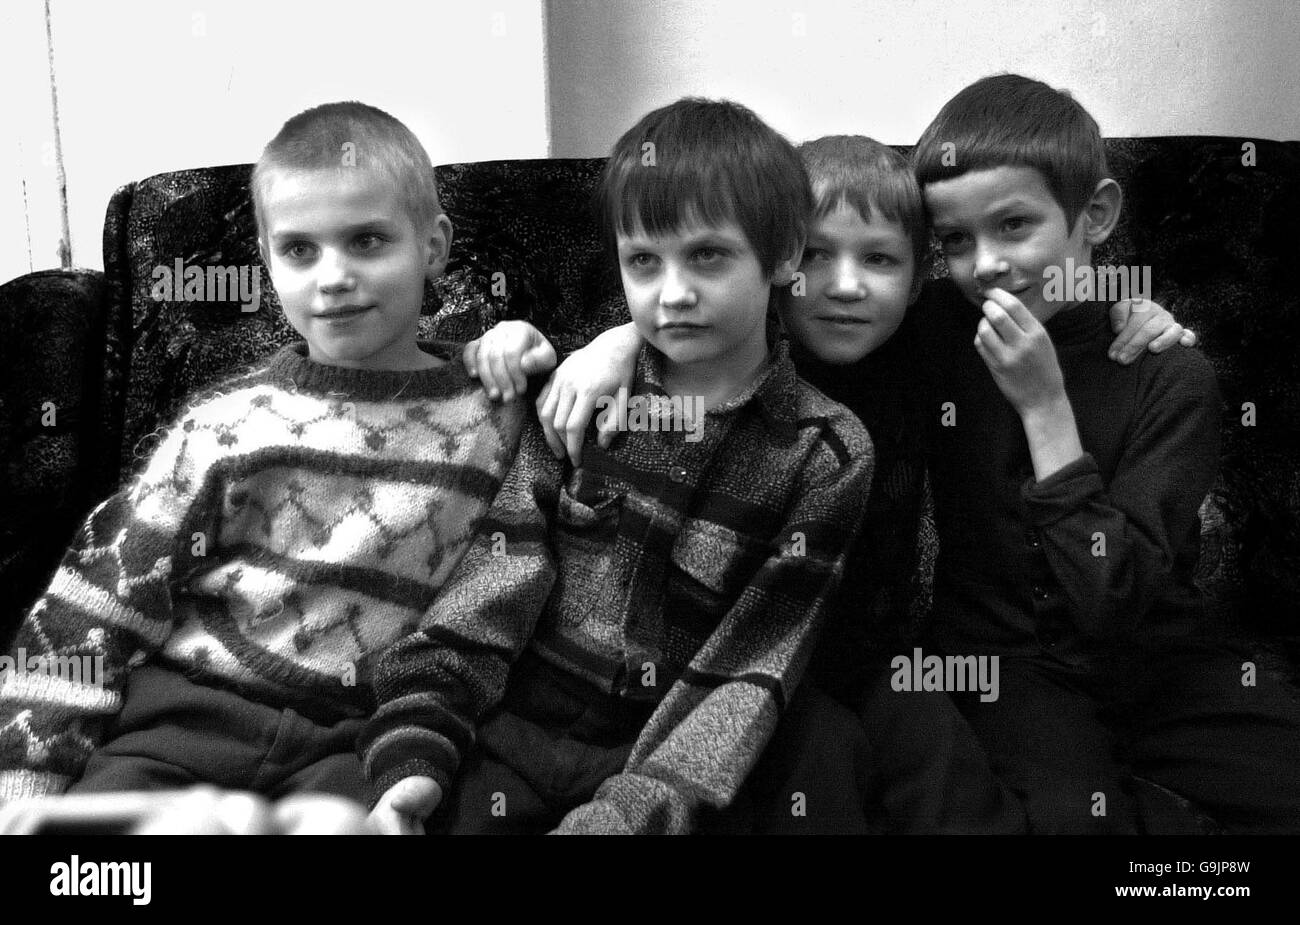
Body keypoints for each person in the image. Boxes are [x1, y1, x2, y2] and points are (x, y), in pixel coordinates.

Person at [494, 129, 1194, 832]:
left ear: (920, 277)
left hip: (871, 653)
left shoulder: (936, 337)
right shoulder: (736, 351)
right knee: (816, 761)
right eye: (816, 257)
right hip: (739, 655)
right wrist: (611, 342)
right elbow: (670, 308)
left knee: (933, 749)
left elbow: (1043, 298)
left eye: (879, 259)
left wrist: (1125, 306)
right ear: (779, 261)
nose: (844, 285)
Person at [0, 102, 540, 820]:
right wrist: (23, 783)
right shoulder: (225, 427)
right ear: (268, 263)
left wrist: (537, 351)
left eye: (368, 241)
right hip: (186, 720)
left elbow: (619, 398)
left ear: (434, 247)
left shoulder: (497, 410)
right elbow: (98, 602)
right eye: (300, 250)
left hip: (354, 744)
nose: (334, 276)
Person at [362, 97, 875, 835]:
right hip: (514, 723)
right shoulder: (578, 394)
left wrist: (627, 815)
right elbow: (491, 583)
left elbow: (744, 672)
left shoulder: (826, 453)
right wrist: (417, 749)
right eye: (644, 261)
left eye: (707, 255)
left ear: (785, 252)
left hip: (660, 757)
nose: (672, 293)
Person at [910, 73, 1300, 833]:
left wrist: (1049, 405)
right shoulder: (934, 334)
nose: (984, 264)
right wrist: (619, 346)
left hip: (1161, 659)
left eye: (1014, 225)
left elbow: (1113, 595)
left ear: (1096, 214)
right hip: (1007, 665)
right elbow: (799, 316)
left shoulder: (1164, 370)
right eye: (955, 241)